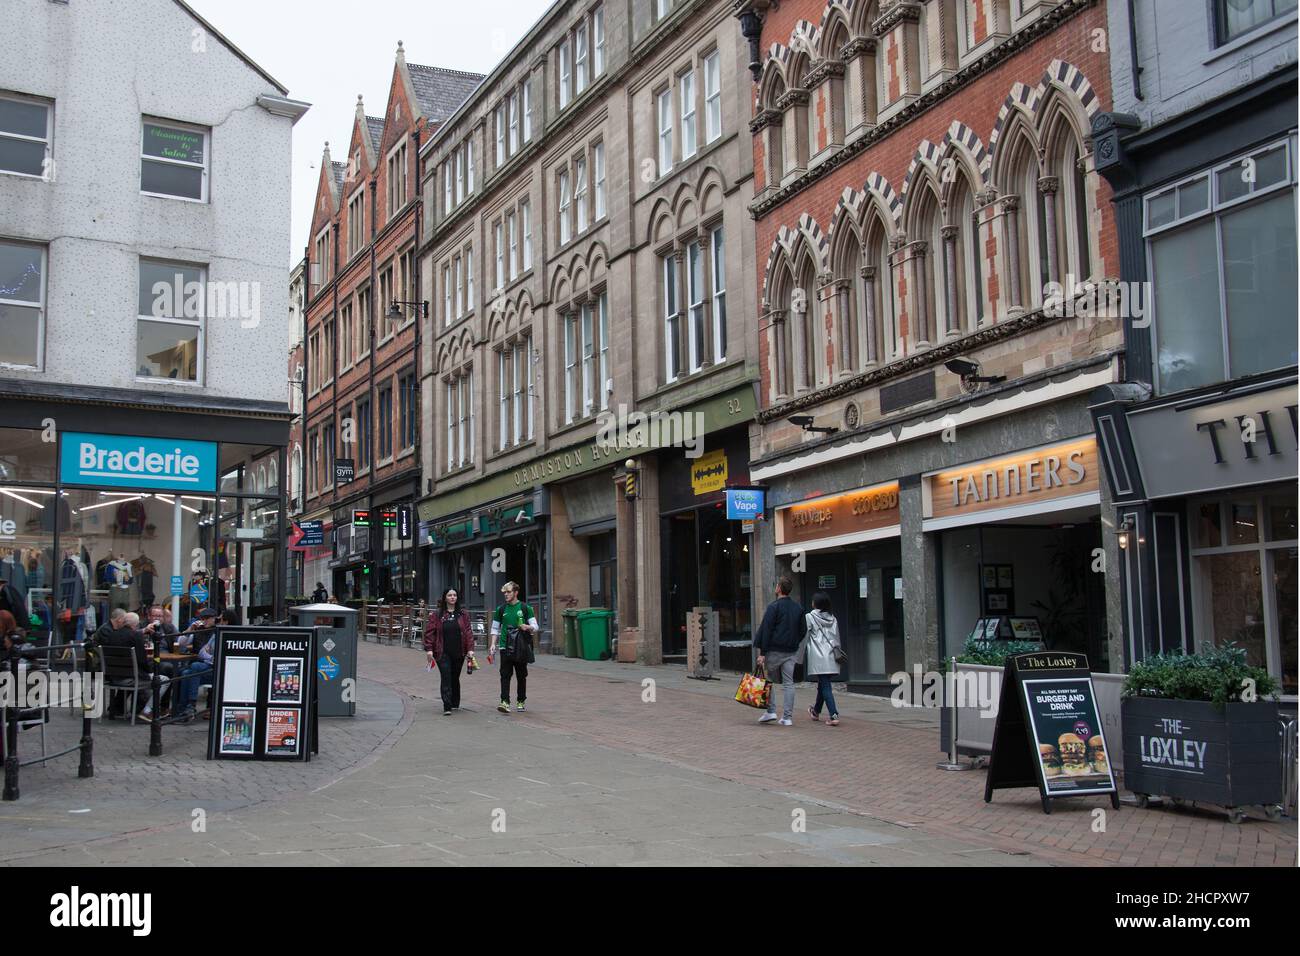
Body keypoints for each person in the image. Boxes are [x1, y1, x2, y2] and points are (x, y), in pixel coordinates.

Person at [754, 576, 805, 726]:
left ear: (779, 589)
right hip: (791, 650)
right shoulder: (798, 608)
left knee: (767, 678)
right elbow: (803, 630)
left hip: (774, 649)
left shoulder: (773, 607)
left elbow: (767, 630)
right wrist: (795, 642)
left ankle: (771, 710)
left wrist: (763, 653)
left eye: (777, 586)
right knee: (789, 683)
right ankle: (787, 717)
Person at [488, 581, 537, 713]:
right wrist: (493, 644)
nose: (506, 594)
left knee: (521, 675)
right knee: (505, 674)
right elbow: (495, 628)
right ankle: (504, 702)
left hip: (520, 647)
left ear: (516, 592)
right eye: (504, 592)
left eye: (508, 592)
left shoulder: (526, 608)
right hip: (505, 646)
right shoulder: (501, 609)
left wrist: (527, 627)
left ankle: (521, 701)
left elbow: (535, 627)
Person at [424, 588, 474, 716]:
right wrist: (429, 649)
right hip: (442, 652)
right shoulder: (437, 615)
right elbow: (430, 633)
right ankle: (447, 706)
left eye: (454, 595)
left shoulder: (463, 614)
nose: (452, 597)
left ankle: (455, 703)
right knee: (446, 676)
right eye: (450, 595)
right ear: (445, 598)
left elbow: (468, 632)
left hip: (459, 651)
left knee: (454, 677)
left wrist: (470, 649)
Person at [172, 608, 219, 722]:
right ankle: (184, 709)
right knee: (185, 673)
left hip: (213, 668)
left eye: (208, 618)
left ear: (214, 619)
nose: (205, 621)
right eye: (203, 618)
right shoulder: (197, 631)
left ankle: (189, 707)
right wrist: (190, 629)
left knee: (194, 667)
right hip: (200, 668)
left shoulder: (217, 632)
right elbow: (181, 642)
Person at [804, 591, 843, 726]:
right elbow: (836, 637)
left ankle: (834, 715)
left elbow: (805, 637)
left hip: (819, 657)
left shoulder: (809, 617)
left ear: (816, 604)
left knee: (825, 686)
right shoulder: (833, 618)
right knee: (823, 684)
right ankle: (815, 711)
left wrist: (798, 654)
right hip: (832, 655)